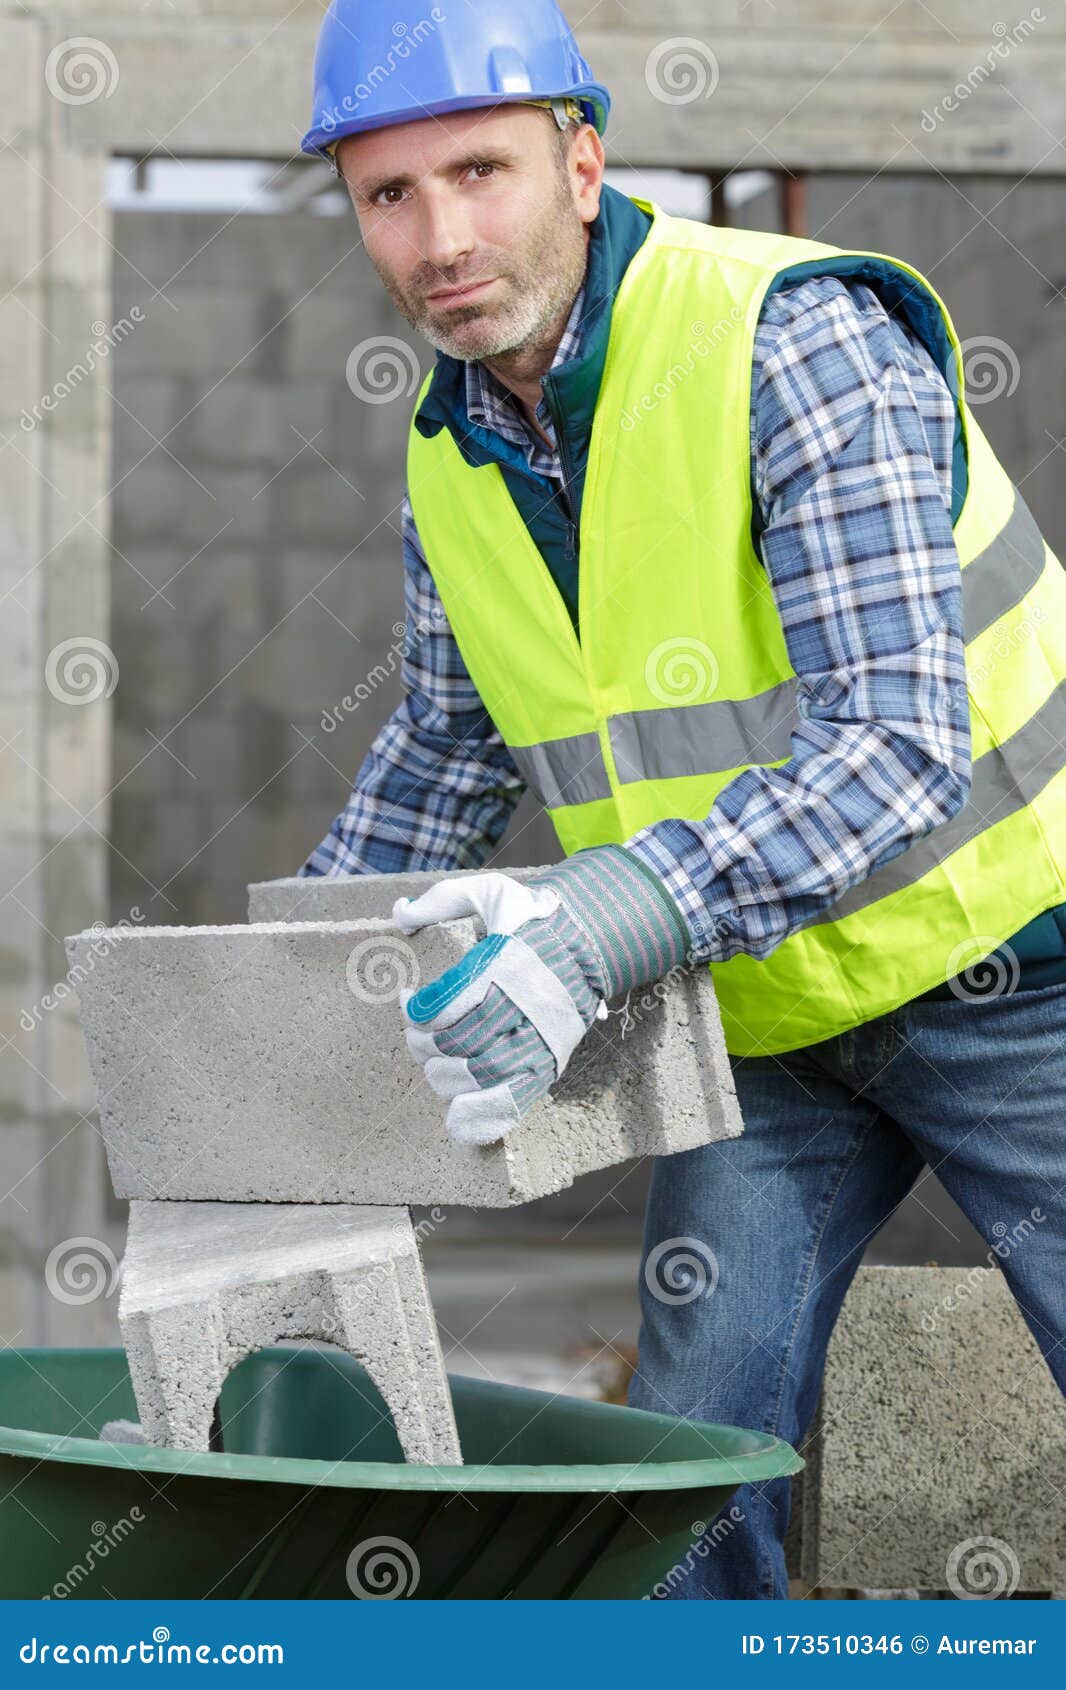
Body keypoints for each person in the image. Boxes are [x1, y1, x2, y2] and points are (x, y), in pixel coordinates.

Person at [296, 0, 1066, 1597]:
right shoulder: (453, 454)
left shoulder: (790, 339)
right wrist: (289, 996)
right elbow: (444, 753)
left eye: (480, 171)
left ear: (582, 164)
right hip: (759, 1012)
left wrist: (592, 927)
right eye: (389, 195)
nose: (440, 240)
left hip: (1019, 967)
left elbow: (896, 742)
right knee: (683, 1472)